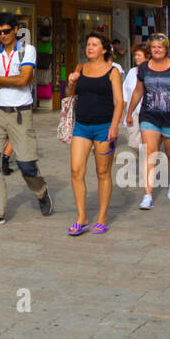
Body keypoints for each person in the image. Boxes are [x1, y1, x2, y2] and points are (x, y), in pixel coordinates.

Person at [0, 12, 53, 227]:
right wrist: (10, 80)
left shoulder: (27, 50)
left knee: (27, 164)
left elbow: (24, 79)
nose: (2, 35)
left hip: (21, 113)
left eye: (6, 31)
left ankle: (41, 191)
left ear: (15, 31)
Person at [64, 32, 121, 235]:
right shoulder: (81, 68)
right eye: (88, 44)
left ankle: (102, 216)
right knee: (76, 170)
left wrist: (114, 126)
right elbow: (69, 95)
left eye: (94, 44)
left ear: (104, 49)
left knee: (102, 172)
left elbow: (119, 102)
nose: (89, 47)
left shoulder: (113, 72)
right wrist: (70, 82)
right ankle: (82, 217)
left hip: (104, 127)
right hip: (82, 126)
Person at [126, 35, 170, 206]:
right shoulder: (144, 68)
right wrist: (129, 112)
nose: (157, 50)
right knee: (149, 153)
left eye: (160, 47)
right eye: (153, 47)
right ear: (150, 50)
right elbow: (138, 92)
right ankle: (148, 195)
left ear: (166, 49)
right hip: (149, 116)